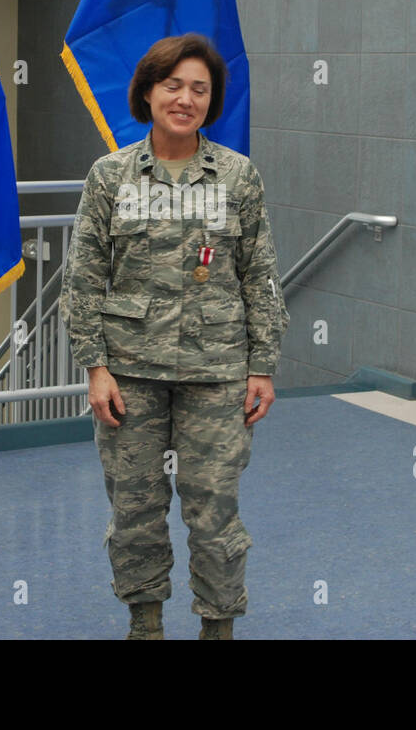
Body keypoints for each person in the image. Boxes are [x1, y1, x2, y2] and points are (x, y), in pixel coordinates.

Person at [61, 34, 289, 640]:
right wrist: (95, 367)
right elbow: (83, 279)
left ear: (211, 103)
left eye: (199, 89)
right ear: (147, 91)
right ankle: (146, 623)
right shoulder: (110, 176)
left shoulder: (239, 177)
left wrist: (262, 366)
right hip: (130, 375)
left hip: (217, 373)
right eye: (173, 85)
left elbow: (260, 275)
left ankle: (218, 625)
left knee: (213, 509)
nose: (185, 99)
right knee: (135, 510)